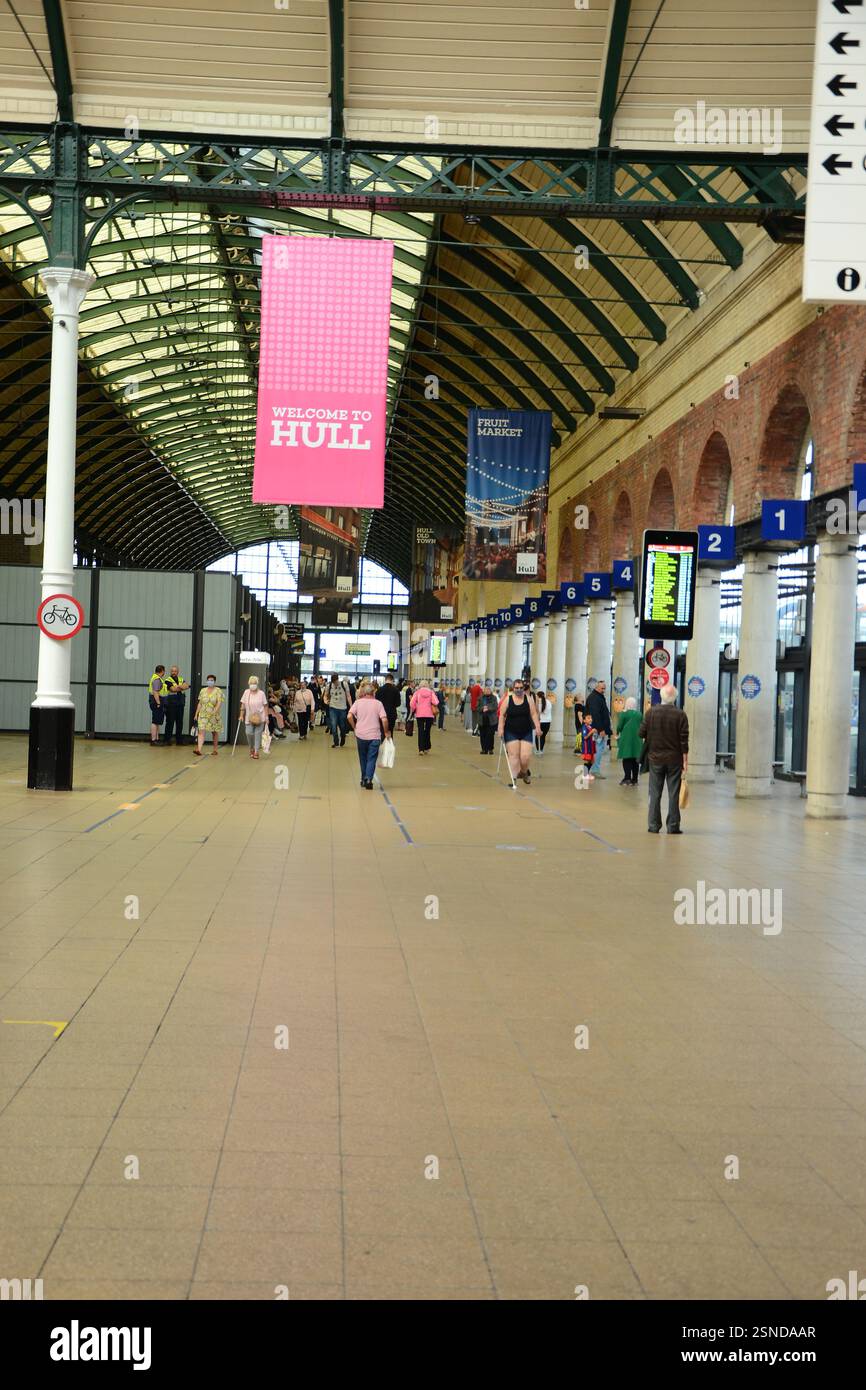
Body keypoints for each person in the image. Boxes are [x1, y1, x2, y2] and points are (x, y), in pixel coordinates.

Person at [639, 684, 689, 833]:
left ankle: (653, 825)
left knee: (655, 793)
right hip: (675, 760)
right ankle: (673, 826)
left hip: (655, 759)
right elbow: (684, 740)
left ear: (661, 696)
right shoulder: (681, 715)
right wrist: (685, 760)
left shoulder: (650, 713)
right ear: (675, 697)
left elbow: (640, 733)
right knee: (674, 793)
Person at [498, 678, 542, 784]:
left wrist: (538, 727)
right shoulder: (508, 699)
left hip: (526, 731)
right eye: (516, 688)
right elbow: (502, 714)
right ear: (513, 688)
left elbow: (534, 714)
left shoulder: (529, 699)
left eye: (521, 688)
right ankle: (513, 780)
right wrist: (500, 728)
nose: (518, 690)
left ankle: (524, 772)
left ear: (524, 688)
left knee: (525, 757)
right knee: (513, 755)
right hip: (511, 731)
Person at [348, 680, 390, 789]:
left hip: (360, 734)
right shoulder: (378, 704)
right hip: (374, 736)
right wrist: (386, 731)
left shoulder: (358, 702)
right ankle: (368, 778)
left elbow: (349, 716)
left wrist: (354, 727)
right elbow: (384, 720)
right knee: (371, 758)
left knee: (363, 758)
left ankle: (363, 779)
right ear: (373, 693)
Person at [585, 679, 612, 777]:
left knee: (598, 748)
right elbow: (595, 715)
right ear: (596, 687)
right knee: (598, 749)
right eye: (602, 688)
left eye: (604, 688)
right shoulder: (594, 698)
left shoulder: (598, 697)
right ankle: (595, 770)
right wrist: (601, 729)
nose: (604, 690)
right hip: (597, 729)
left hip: (598, 728)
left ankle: (593, 769)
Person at [239, 675, 269, 760]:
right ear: (249, 684)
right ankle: (251, 748)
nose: (253, 685)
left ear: (257, 684)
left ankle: (256, 751)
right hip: (249, 717)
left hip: (260, 717)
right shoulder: (246, 692)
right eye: (251, 683)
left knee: (258, 734)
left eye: (254, 683)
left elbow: (265, 705)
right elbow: (243, 704)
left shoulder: (261, 693)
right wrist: (241, 715)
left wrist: (266, 717)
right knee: (248, 733)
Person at [193, 675, 223, 756]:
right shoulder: (203, 690)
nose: (210, 681)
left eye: (212, 680)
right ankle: (199, 749)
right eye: (209, 680)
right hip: (203, 714)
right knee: (201, 731)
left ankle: (215, 749)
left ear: (214, 681)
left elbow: (219, 702)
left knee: (214, 732)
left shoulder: (218, 691)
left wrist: (214, 712)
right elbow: (200, 703)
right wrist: (196, 714)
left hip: (213, 715)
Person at [616, 696, 643, 786]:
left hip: (626, 738)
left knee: (626, 758)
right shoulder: (639, 714)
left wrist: (617, 731)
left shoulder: (624, 714)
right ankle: (635, 779)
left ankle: (627, 778)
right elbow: (642, 726)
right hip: (637, 739)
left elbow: (619, 727)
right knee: (636, 759)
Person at [162, 665, 190, 746]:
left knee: (179, 722)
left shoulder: (181, 679)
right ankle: (167, 740)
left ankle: (179, 740)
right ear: (170, 672)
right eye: (172, 671)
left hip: (180, 703)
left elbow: (187, 686)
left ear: (178, 672)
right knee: (170, 722)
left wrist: (178, 687)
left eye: (175, 671)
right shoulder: (168, 680)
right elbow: (172, 689)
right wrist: (182, 687)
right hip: (171, 704)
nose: (174, 672)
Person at [410, 680, 439, 755]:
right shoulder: (431, 692)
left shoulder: (417, 692)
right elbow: (436, 702)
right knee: (427, 731)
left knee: (420, 731)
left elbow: (412, 703)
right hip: (429, 715)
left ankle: (421, 749)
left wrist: (415, 709)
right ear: (427, 685)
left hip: (420, 714)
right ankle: (427, 747)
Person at [325, 673, 352, 747]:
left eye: (336, 682)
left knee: (342, 726)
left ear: (338, 679)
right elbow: (325, 695)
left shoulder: (344, 684)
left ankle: (343, 737)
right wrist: (325, 700)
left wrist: (351, 706)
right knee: (333, 726)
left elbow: (348, 696)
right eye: (334, 682)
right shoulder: (329, 686)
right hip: (332, 708)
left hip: (343, 708)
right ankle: (336, 742)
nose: (335, 684)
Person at [148, 664, 167, 745]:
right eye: (164, 671)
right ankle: (153, 740)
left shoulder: (157, 678)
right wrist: (158, 703)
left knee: (157, 721)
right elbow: (156, 692)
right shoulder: (157, 679)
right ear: (162, 671)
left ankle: (156, 739)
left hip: (156, 701)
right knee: (155, 721)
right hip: (156, 702)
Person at [477, 686, 498, 754]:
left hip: (491, 720)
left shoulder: (494, 698)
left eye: (488, 690)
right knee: (483, 735)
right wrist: (482, 708)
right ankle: (484, 749)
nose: (487, 691)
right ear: (483, 691)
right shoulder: (480, 698)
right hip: (482, 719)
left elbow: (495, 706)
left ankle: (490, 749)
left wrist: (488, 708)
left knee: (490, 735)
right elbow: (477, 707)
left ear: (490, 691)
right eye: (485, 690)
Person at [578, 712, 597, 782]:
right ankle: (585, 774)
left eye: (591, 718)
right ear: (584, 720)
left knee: (592, 760)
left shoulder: (590, 727)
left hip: (591, 746)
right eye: (588, 718)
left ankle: (587, 773)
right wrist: (591, 732)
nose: (590, 719)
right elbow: (585, 737)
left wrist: (594, 733)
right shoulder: (584, 727)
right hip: (587, 747)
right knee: (588, 760)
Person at [534, 689, 551, 753]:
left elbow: (536, 712)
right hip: (547, 722)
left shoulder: (538, 703)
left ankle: (538, 750)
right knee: (543, 736)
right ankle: (541, 750)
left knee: (537, 736)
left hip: (540, 722)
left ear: (538, 696)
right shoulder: (549, 702)